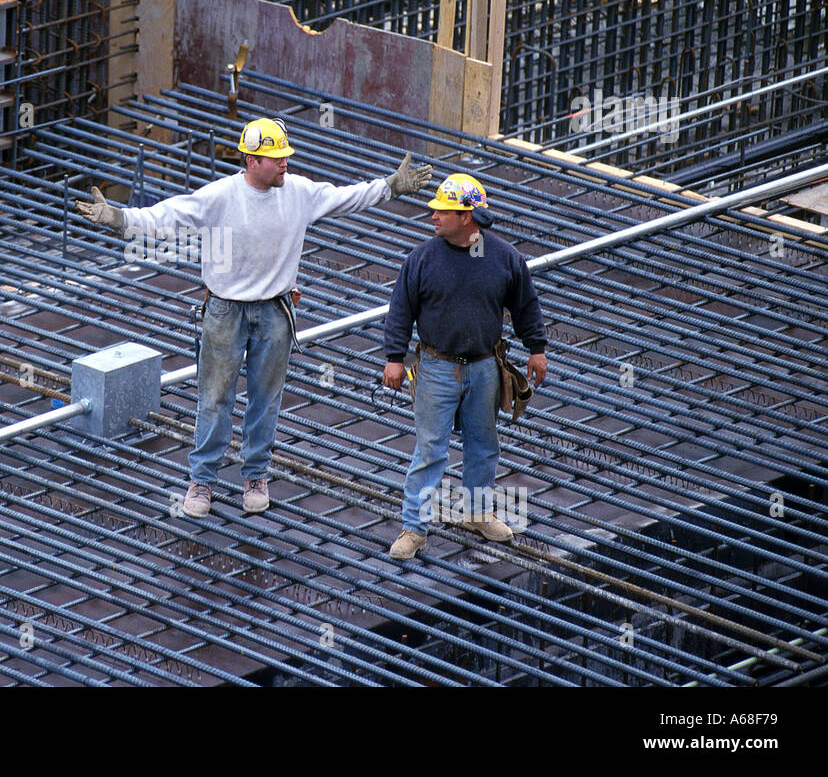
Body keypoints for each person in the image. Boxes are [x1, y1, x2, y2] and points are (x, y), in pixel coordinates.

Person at [77, 117, 432, 517]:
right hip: (225, 310)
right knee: (214, 397)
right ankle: (202, 481)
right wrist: (121, 218)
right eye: (275, 158)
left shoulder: (297, 192)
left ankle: (255, 476)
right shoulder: (221, 197)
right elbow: (169, 217)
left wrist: (389, 186)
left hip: (275, 311)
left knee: (266, 399)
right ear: (250, 160)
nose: (284, 164)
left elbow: (345, 197)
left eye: (285, 157)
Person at [381, 173, 547, 560]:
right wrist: (394, 358)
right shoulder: (422, 259)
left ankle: (477, 513)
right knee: (429, 450)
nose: (433, 216)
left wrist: (536, 349)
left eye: (443, 211)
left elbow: (526, 306)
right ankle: (414, 528)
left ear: (468, 216)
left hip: (485, 366)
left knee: (483, 445)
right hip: (437, 367)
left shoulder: (505, 258)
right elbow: (400, 311)